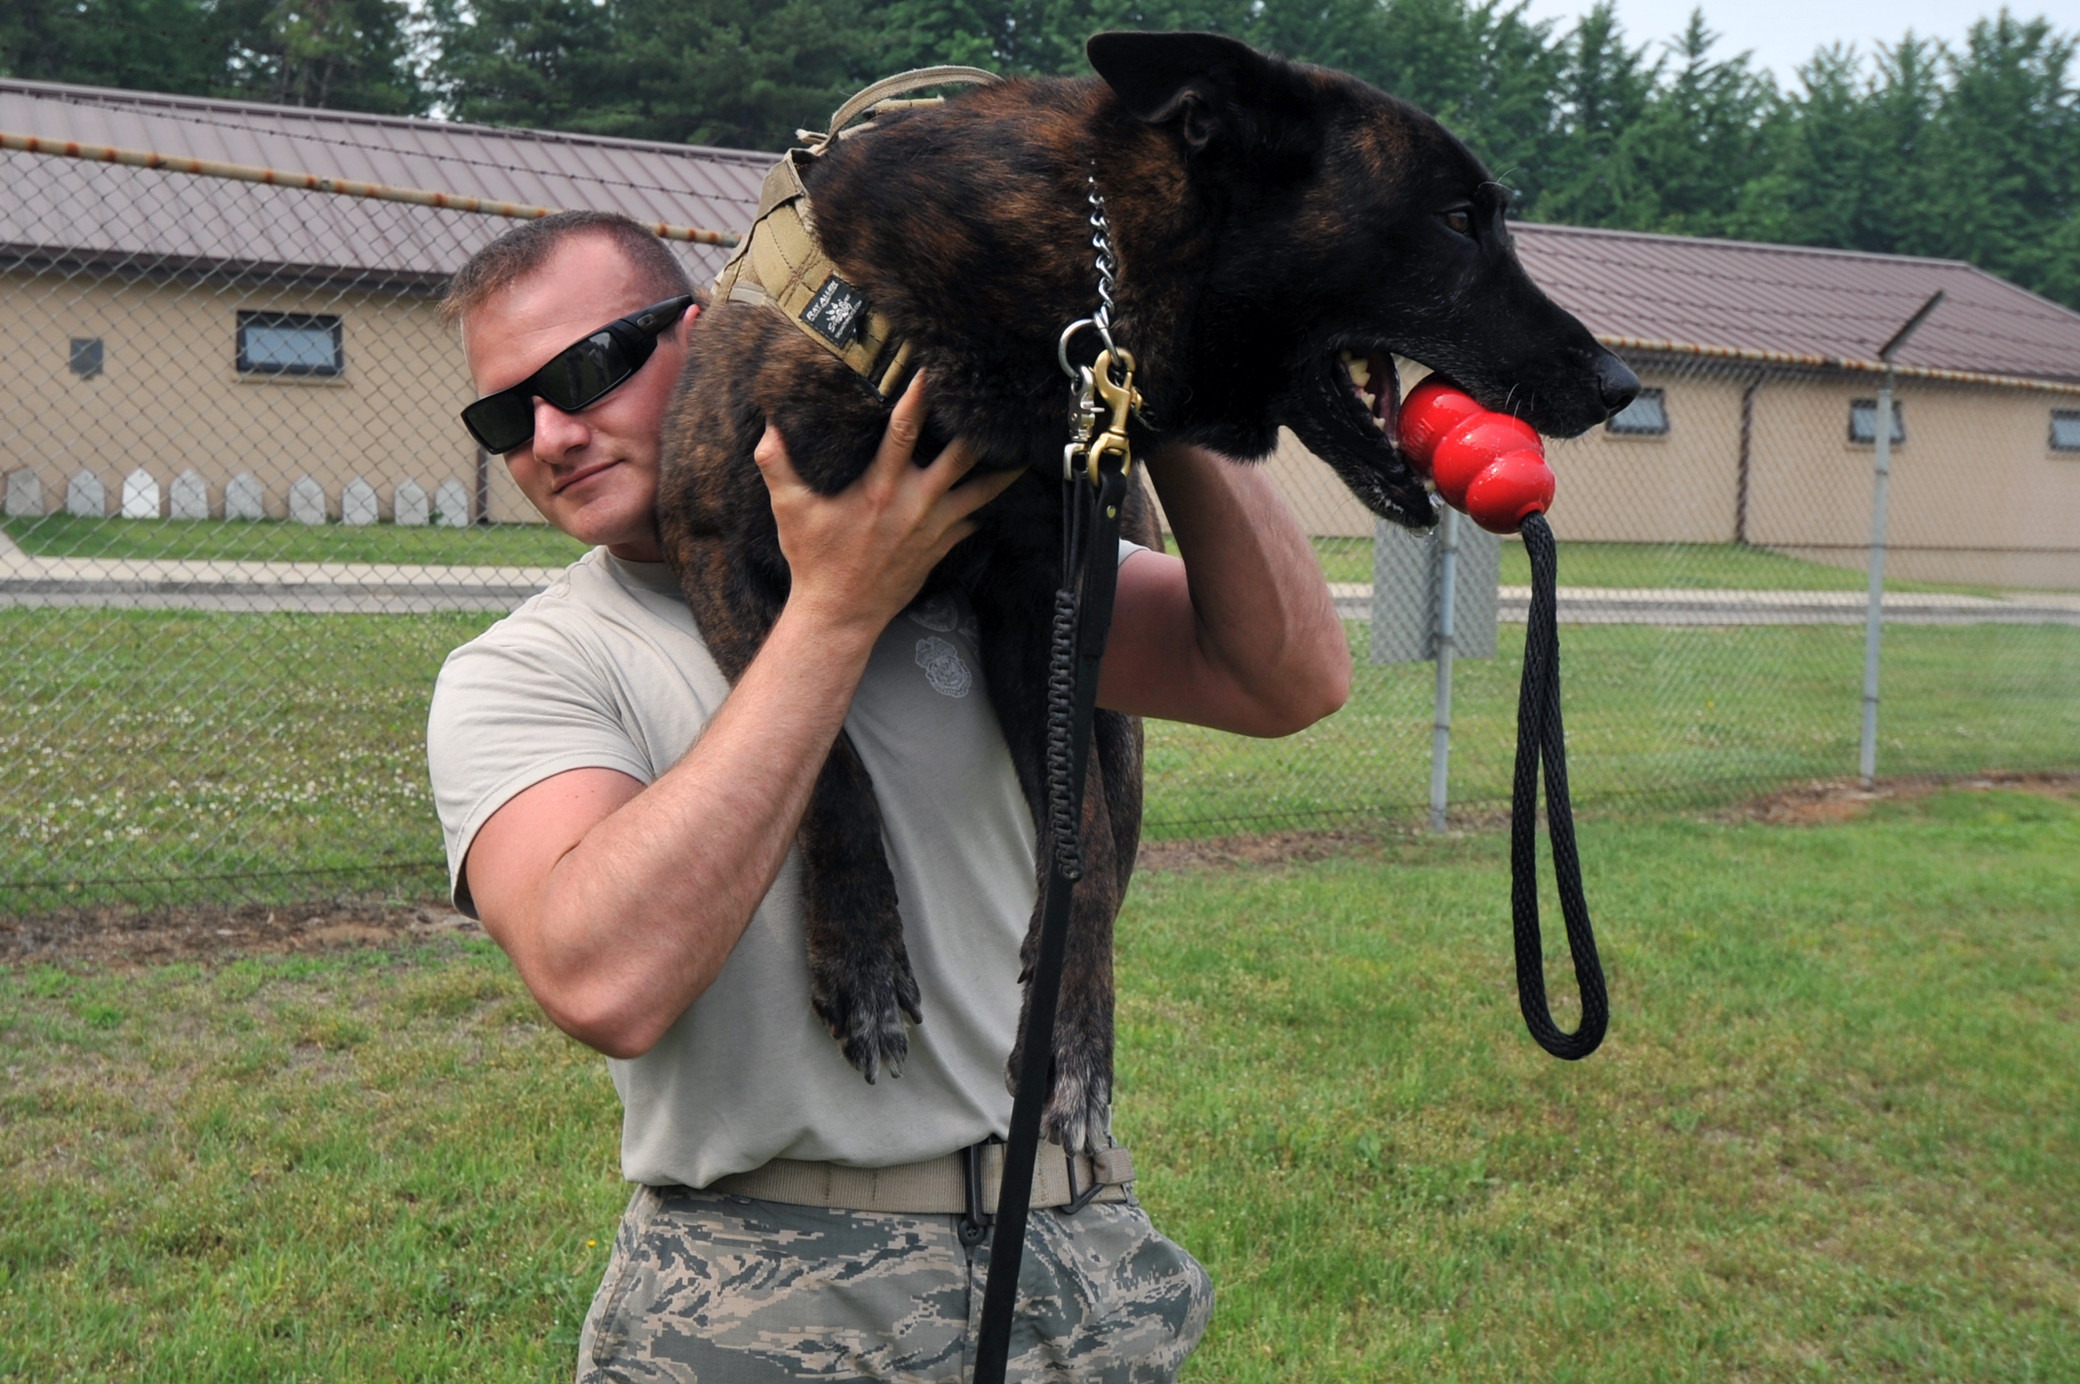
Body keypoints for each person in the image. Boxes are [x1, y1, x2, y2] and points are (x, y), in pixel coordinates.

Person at [427, 209, 1352, 1383]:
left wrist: (1146, 347)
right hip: (764, 1296)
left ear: (707, 337)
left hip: (1074, 1252)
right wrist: (835, 607)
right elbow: (604, 978)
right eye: (506, 416)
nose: (553, 434)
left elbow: (1285, 674)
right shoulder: (534, 666)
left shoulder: (967, 554)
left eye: (589, 368)